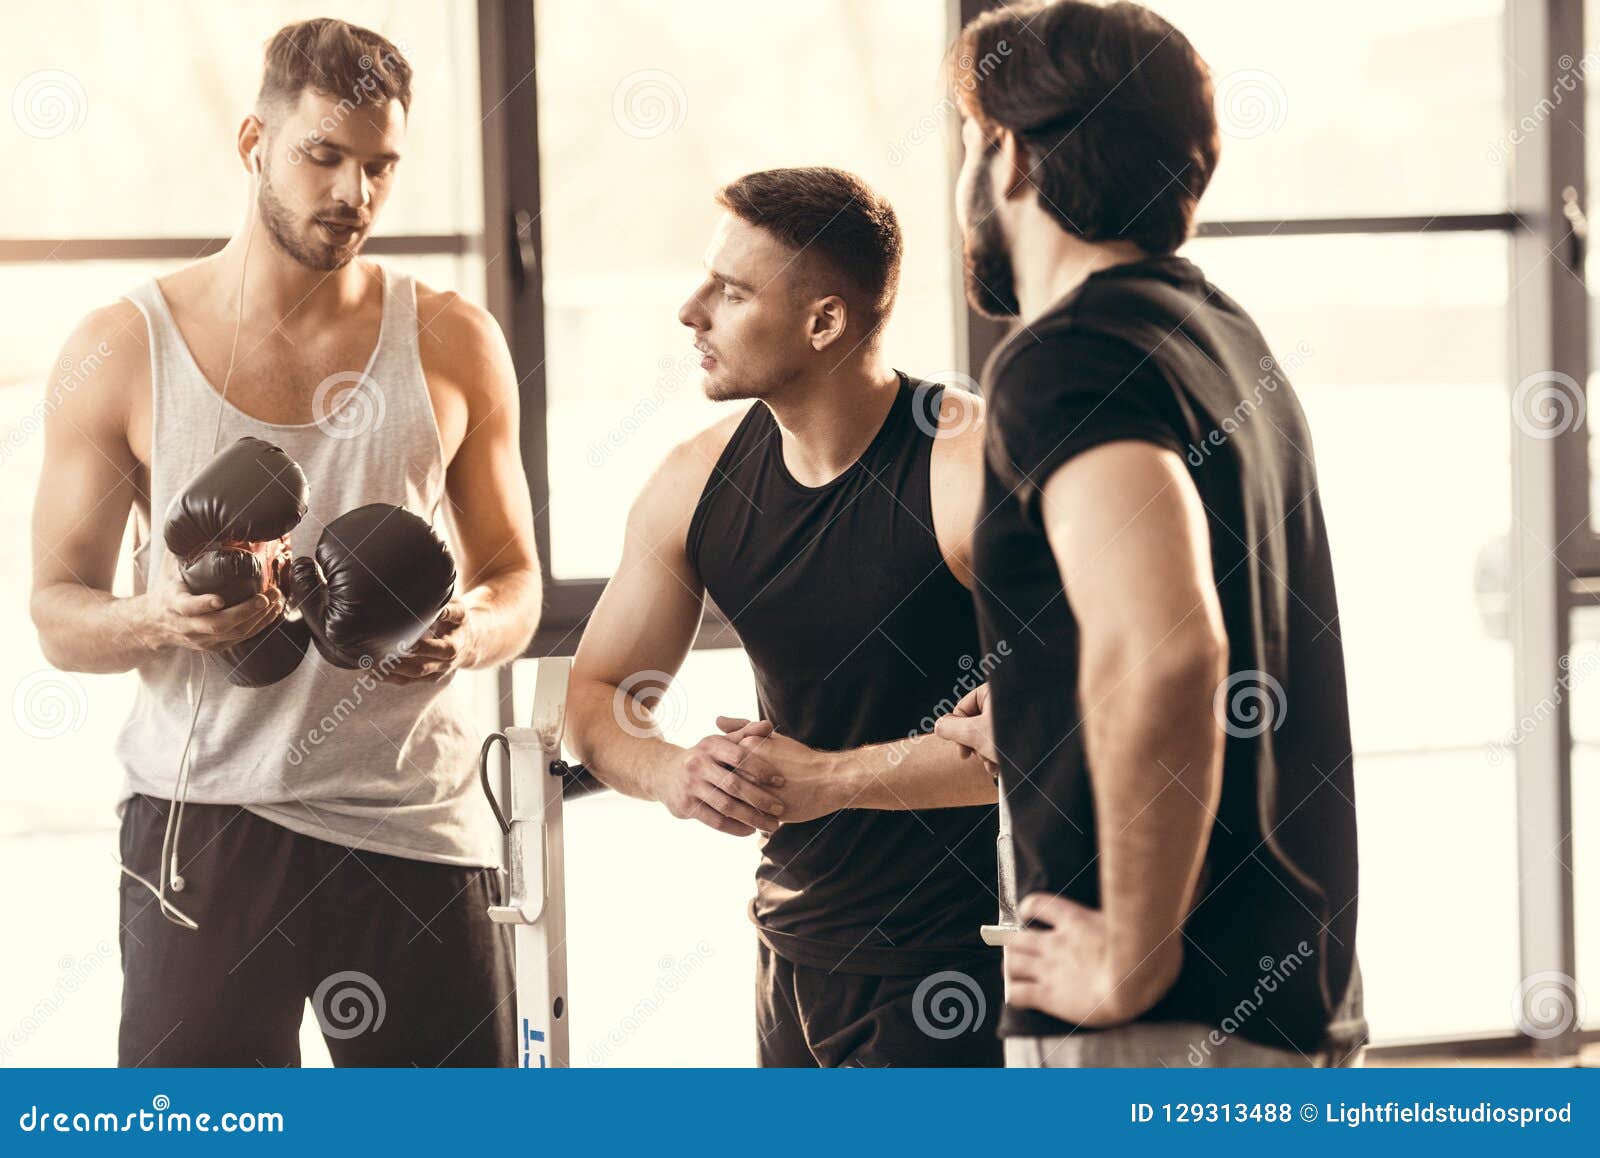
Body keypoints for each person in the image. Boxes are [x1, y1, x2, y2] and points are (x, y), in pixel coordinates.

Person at [28, 18, 541, 1066]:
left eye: (379, 167)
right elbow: (56, 615)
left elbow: (514, 579)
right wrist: (157, 617)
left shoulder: (451, 339)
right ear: (254, 142)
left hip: (411, 823)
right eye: (324, 156)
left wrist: (466, 635)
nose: (353, 193)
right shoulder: (123, 348)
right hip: (202, 824)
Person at [934, 0, 1365, 1067]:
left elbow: (1168, 650)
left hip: (1152, 1019)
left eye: (967, 145)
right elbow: (1172, 628)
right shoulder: (1212, 333)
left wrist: (1129, 953)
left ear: (1016, 159)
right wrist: (1047, 708)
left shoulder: (1064, 357)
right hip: (1285, 990)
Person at [566, 167, 1003, 1067]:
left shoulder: (969, 469)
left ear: (825, 322)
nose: (691, 312)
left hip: (965, 962)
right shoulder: (695, 480)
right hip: (791, 947)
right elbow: (593, 692)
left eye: (730, 292)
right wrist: (673, 771)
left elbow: (1054, 737)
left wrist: (828, 780)